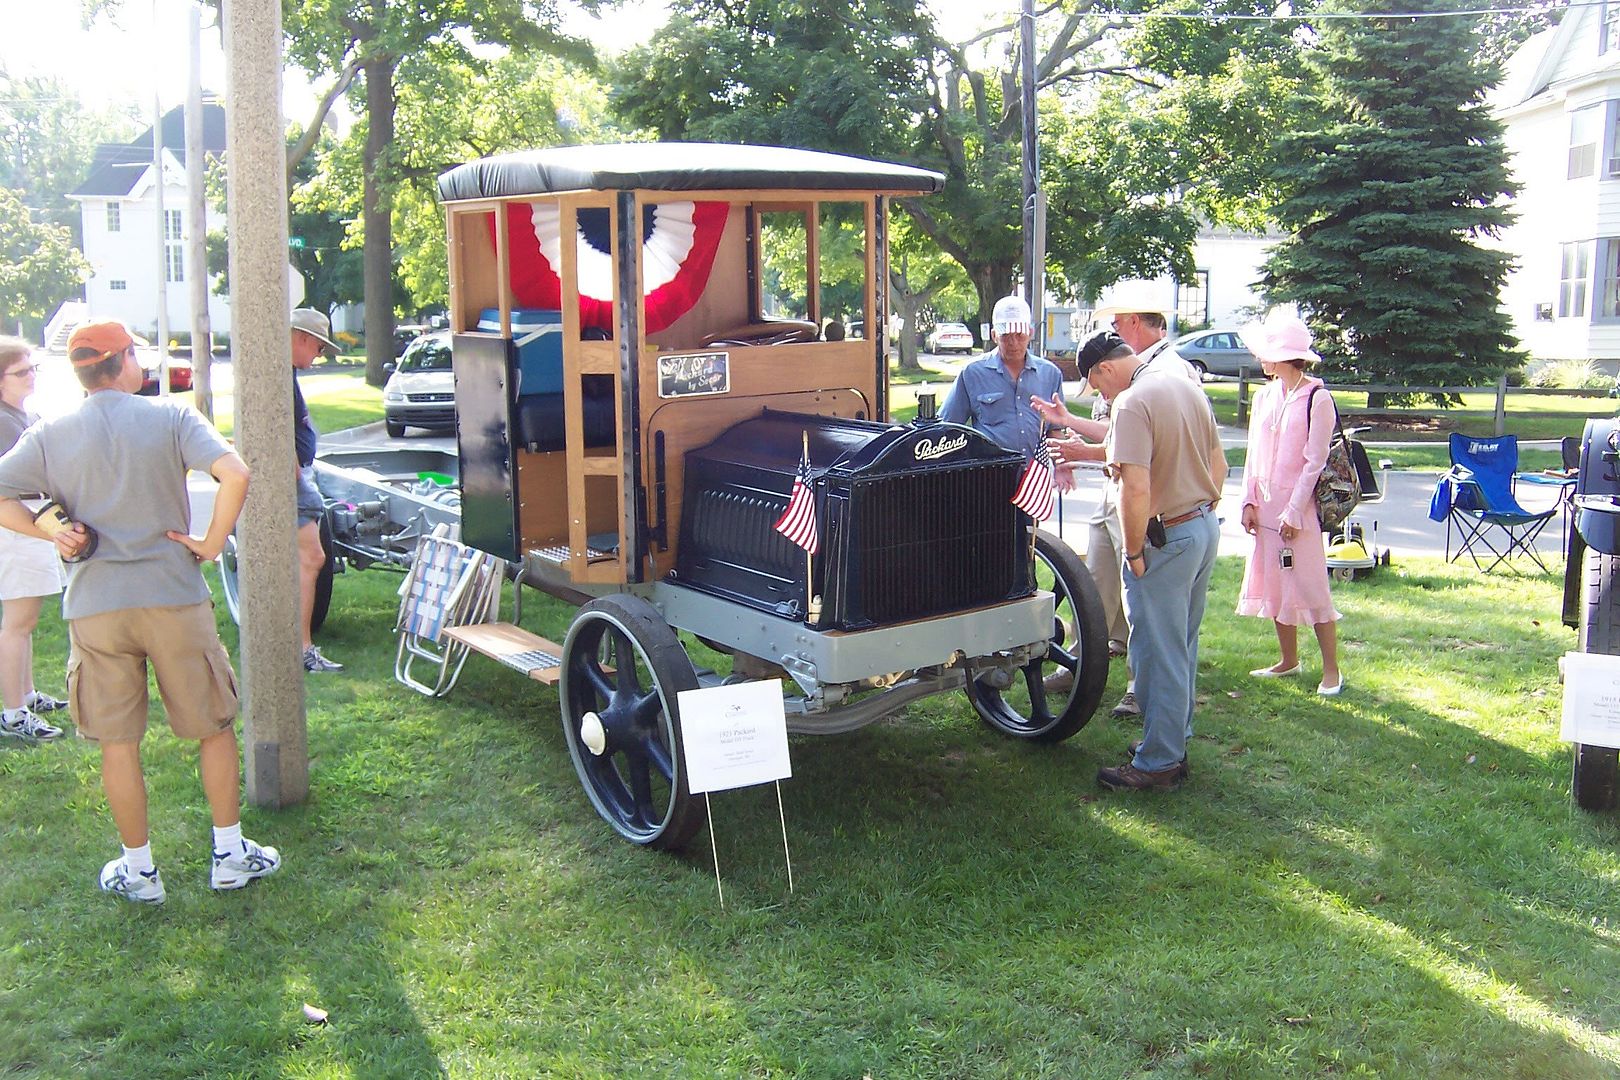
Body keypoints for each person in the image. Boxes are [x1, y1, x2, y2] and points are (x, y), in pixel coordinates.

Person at [0, 319, 280, 904]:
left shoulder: (50, 431)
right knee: (212, 727)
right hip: (173, 597)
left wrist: (47, 532)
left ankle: (139, 871)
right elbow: (236, 472)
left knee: (116, 742)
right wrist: (209, 542)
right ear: (123, 360)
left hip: (96, 606)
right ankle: (229, 855)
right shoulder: (171, 416)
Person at [1078, 331, 1225, 792]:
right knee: (1182, 644)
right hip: (1202, 525)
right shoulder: (1184, 383)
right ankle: (1172, 739)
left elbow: (1133, 487)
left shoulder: (1131, 402)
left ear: (1104, 368)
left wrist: (1136, 550)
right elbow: (1218, 462)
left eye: (1095, 384)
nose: (1101, 395)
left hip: (1165, 536)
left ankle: (1159, 761)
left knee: (1155, 652)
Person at [1235, 311, 1343, 695]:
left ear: (1284, 355)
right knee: (1275, 582)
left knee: (1311, 586)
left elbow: (1315, 461)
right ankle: (1288, 659)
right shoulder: (1264, 396)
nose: (1261, 358)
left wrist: (1295, 510)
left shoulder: (1318, 397)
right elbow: (1253, 452)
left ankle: (1332, 669)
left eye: (1267, 352)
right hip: (1265, 504)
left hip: (1300, 509)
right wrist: (1248, 500)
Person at [0, 337, 67, 740]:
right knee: (17, 624)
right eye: (21, 372)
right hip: (16, 529)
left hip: (29, 527)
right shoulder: (4, 423)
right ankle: (13, 714)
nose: (31, 377)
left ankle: (26, 694)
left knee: (25, 621)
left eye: (32, 368)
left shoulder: (19, 415)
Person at [939, 294, 1064, 462]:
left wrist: (1063, 467)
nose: (1013, 342)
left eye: (1019, 334)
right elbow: (947, 427)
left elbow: (1055, 430)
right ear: (994, 335)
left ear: (1030, 333)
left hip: (1035, 478)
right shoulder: (972, 373)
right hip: (990, 477)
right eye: (1005, 335)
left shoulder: (1050, 374)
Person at [290, 308, 342, 673]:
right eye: (320, 348)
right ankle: (302, 649)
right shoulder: (279, 373)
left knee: (303, 561)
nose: (319, 355)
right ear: (303, 338)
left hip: (294, 475)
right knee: (311, 560)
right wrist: (291, 468)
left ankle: (292, 644)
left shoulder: (283, 371)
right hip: (292, 479)